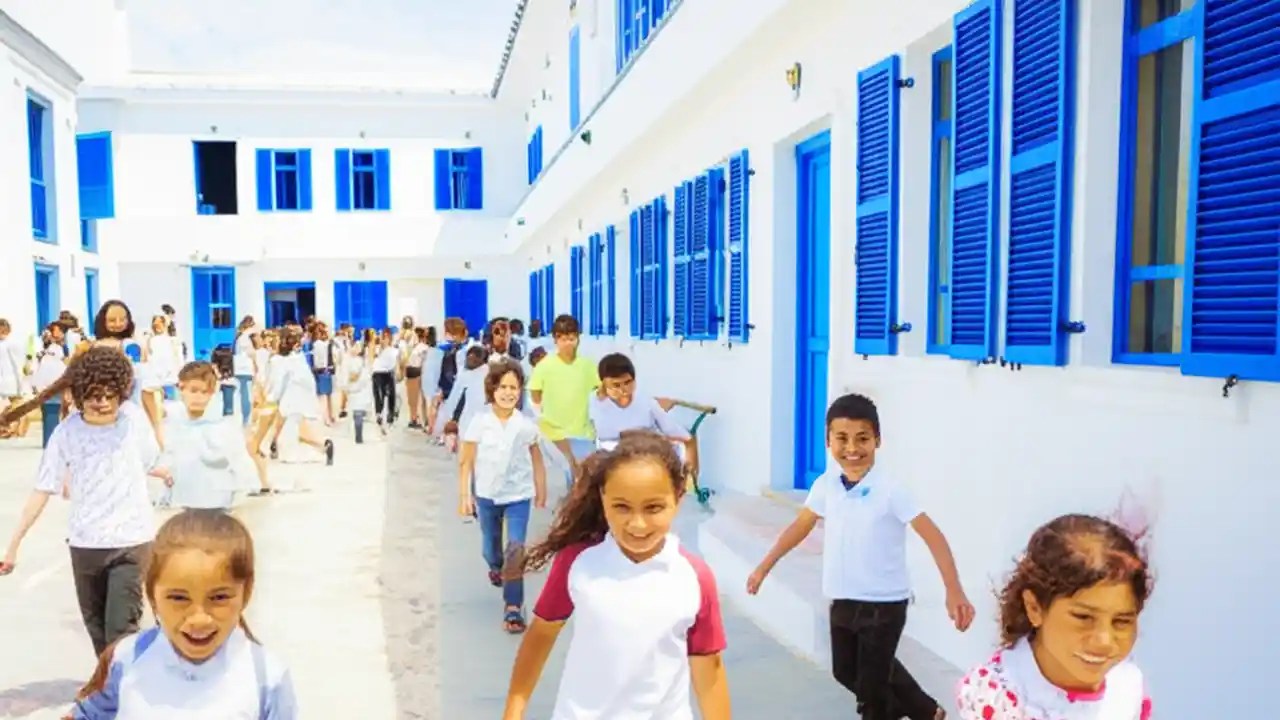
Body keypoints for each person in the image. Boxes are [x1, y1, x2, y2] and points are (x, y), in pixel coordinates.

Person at [746, 393, 974, 720]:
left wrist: (954, 589)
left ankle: (890, 710)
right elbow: (800, 527)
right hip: (842, 598)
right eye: (842, 438)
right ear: (828, 441)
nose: (852, 448)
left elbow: (933, 536)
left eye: (862, 439)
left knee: (871, 692)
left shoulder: (892, 489)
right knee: (846, 672)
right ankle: (925, 711)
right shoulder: (825, 486)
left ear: (877, 441)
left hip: (884, 604)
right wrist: (764, 567)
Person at [502, 432, 730, 720]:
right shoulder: (578, 562)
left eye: (653, 508)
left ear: (678, 498)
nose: (637, 524)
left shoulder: (694, 577)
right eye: (622, 507)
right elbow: (541, 633)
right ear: (603, 498)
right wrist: (514, 708)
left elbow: (708, 667)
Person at [0, 348, 170, 657]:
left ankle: (121, 694)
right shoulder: (66, 433)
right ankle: (111, 687)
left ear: (121, 391)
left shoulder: (133, 420)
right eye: (92, 395)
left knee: (121, 629)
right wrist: (12, 545)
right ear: (77, 395)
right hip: (85, 544)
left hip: (132, 542)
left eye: (109, 394)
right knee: (97, 632)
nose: (102, 402)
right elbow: (42, 489)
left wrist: (161, 471)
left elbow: (146, 459)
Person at [67, 509, 298, 718]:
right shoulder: (125, 658)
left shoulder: (267, 678)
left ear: (245, 593)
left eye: (219, 598)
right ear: (152, 596)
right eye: (179, 598)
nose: (199, 619)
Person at [954, 514, 1154, 719]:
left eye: (1122, 621)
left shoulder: (1126, 687)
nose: (1104, 641)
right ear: (1034, 608)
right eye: (1083, 617)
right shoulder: (994, 695)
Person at [457, 361, 547, 634]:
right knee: (490, 548)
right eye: (503, 387)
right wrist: (464, 495)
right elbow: (466, 461)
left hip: (519, 495)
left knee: (515, 549)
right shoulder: (480, 421)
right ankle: (496, 567)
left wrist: (540, 487)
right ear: (492, 389)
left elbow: (536, 457)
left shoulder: (526, 425)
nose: (508, 393)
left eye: (514, 388)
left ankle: (513, 607)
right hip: (486, 495)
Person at [160, 362, 261, 511]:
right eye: (193, 391)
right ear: (181, 389)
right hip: (186, 497)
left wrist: (247, 482)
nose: (199, 397)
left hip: (217, 497)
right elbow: (170, 453)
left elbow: (238, 455)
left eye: (205, 392)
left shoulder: (224, 424)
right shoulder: (175, 418)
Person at [589, 353, 696, 473]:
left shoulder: (647, 403)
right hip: (611, 461)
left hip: (645, 459)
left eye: (628, 383)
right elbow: (602, 432)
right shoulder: (595, 401)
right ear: (604, 385)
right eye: (616, 385)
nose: (623, 390)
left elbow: (679, 434)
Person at [527, 315, 599, 485]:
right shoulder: (544, 366)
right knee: (569, 471)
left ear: (578, 338)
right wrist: (542, 414)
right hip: (554, 432)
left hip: (583, 432)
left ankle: (576, 509)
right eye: (563, 339)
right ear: (555, 340)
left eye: (572, 338)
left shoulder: (588, 366)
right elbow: (535, 393)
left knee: (583, 478)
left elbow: (600, 390)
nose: (568, 343)